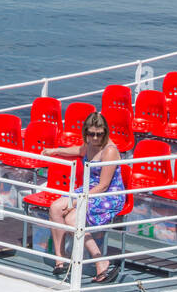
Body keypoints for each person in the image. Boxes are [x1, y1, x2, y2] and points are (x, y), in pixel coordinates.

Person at [45, 111, 125, 281]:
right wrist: (55, 150)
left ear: (105, 132)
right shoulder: (89, 144)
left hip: (109, 195)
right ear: (86, 133)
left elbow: (104, 185)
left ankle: (99, 261)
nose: (95, 138)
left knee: (72, 219)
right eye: (91, 134)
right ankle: (61, 259)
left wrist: (76, 200)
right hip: (87, 190)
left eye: (99, 134)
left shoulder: (109, 151)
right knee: (55, 208)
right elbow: (78, 150)